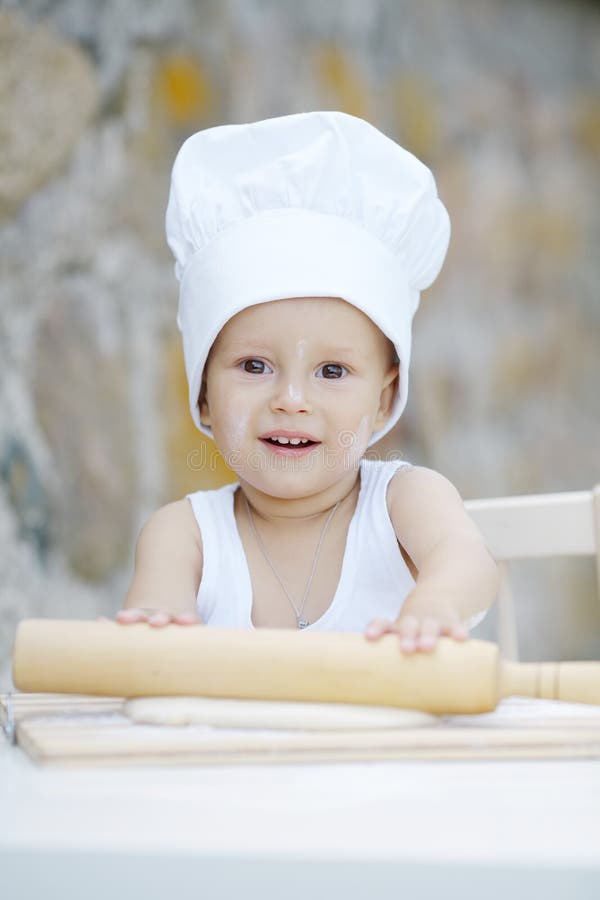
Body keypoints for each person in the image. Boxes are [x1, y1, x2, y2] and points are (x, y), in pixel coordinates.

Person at [117, 111, 499, 654]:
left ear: (385, 398)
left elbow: (470, 562)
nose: (291, 400)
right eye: (254, 367)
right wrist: (154, 629)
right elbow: (153, 634)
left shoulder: (403, 505)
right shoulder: (187, 536)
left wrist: (436, 604)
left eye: (331, 371)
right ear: (202, 395)